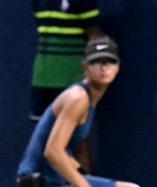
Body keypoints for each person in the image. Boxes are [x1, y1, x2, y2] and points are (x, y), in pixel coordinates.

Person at [17, 35, 148, 187]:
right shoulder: (79, 98)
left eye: (109, 62)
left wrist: (78, 173)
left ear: (117, 67)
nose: (104, 67)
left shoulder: (87, 97)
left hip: (45, 176)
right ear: (85, 66)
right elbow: (53, 151)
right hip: (43, 180)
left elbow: (59, 150)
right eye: (97, 62)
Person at [29, 0, 103, 171]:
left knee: (77, 139)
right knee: (46, 139)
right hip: (43, 76)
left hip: (72, 77)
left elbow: (95, 38)